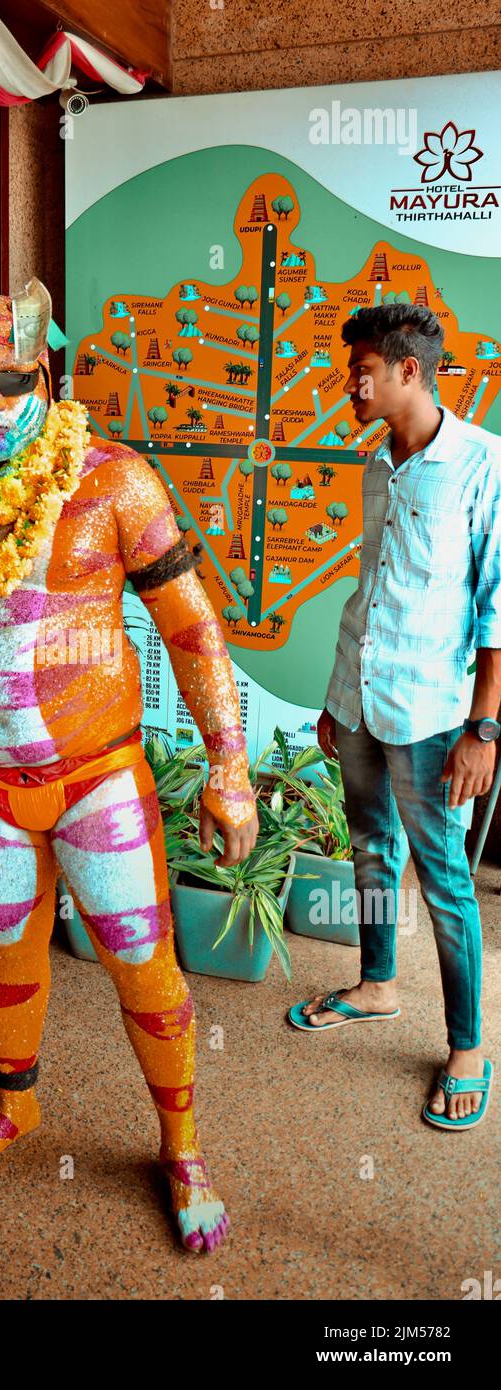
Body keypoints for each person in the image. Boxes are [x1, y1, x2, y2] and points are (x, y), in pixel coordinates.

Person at [0, 281, 259, 1251]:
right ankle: (15, 1107)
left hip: (98, 782)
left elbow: (192, 630)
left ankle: (181, 1146)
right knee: (6, 957)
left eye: (10, 381)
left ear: (45, 373)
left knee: (142, 966)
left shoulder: (113, 482)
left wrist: (229, 765)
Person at [288, 303, 501, 1131]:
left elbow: (496, 606)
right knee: (371, 848)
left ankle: (468, 1048)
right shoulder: (379, 465)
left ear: (409, 370)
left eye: (362, 369)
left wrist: (484, 729)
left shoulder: (483, 463)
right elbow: (373, 591)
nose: (351, 382)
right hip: (361, 699)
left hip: (433, 715)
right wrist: (337, 699)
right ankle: (378, 985)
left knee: (444, 879)